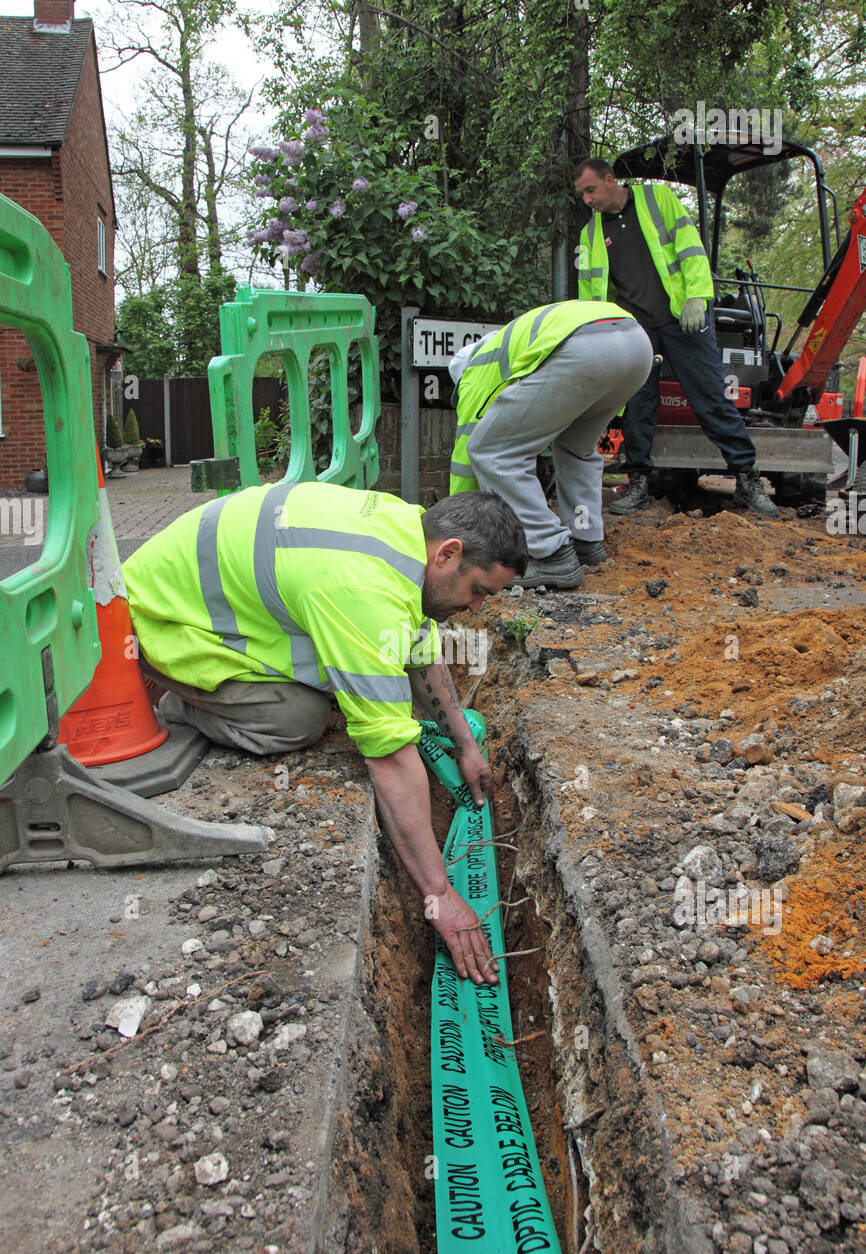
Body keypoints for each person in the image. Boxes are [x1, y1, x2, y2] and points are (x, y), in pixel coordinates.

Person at [123, 481, 528, 988]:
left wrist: (467, 747)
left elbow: (419, 648)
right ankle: (183, 703)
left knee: (347, 684)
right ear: (449, 554)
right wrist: (439, 895)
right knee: (300, 718)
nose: (475, 611)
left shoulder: (404, 531)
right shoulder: (363, 589)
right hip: (160, 619)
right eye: (479, 592)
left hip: (203, 598)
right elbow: (390, 757)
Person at [573, 157, 779, 519]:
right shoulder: (590, 234)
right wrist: (599, 333)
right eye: (582, 194)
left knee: (711, 399)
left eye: (590, 190)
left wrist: (697, 295)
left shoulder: (658, 200)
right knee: (638, 405)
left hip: (683, 318)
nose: (587, 200)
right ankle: (637, 484)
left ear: (609, 180)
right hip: (635, 331)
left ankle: (748, 480)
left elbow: (690, 248)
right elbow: (592, 291)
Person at [448, 299, 653, 589]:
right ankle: (585, 541)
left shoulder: (477, 370)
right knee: (576, 448)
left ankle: (549, 552)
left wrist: (458, 531)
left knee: (492, 450)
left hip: (585, 348)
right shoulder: (508, 341)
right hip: (635, 344)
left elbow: (468, 456)